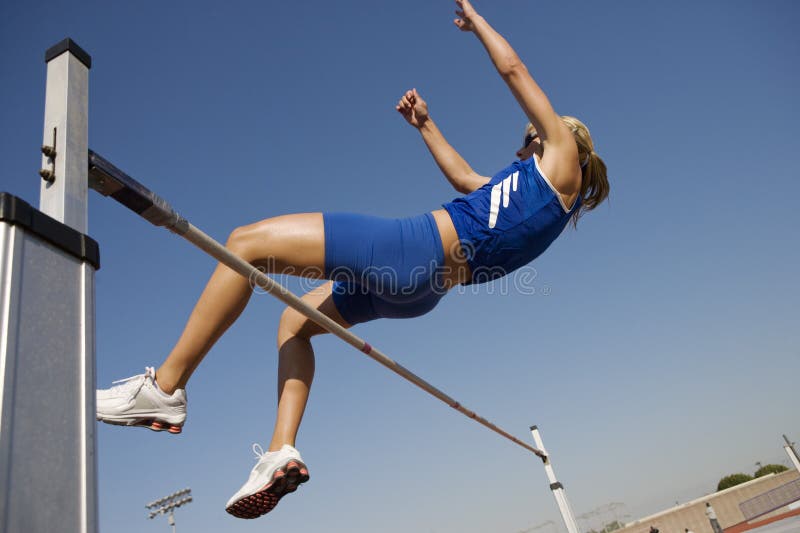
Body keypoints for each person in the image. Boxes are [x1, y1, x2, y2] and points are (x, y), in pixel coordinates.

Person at [96, 0, 609, 520]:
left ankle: (165, 387)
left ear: (553, 140)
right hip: (420, 293)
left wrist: (476, 22)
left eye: (528, 138)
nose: (521, 144)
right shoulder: (522, 192)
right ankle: (281, 450)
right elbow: (463, 180)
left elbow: (514, 69)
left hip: (413, 249)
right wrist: (425, 125)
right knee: (294, 321)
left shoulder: (560, 163)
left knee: (244, 242)